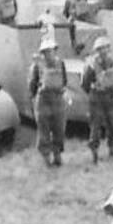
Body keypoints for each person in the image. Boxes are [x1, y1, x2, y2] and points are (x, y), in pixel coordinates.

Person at [28, 32, 69, 167]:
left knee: (59, 128)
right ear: (42, 53)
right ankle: (46, 157)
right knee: (44, 130)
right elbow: (32, 84)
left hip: (58, 98)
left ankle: (57, 155)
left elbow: (64, 81)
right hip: (43, 100)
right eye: (46, 51)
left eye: (51, 51)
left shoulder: (60, 64)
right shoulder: (37, 66)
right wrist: (34, 99)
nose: (49, 54)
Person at [81, 36, 113, 165]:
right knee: (95, 125)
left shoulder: (111, 62)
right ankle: (94, 152)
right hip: (96, 96)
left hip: (108, 94)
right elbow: (85, 83)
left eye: (106, 48)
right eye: (101, 49)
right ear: (97, 50)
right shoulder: (92, 65)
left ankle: (112, 148)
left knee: (111, 123)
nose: (104, 51)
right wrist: (93, 92)